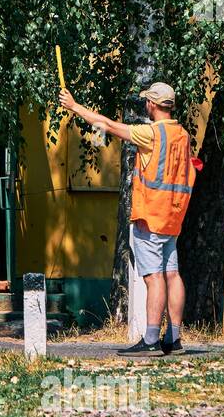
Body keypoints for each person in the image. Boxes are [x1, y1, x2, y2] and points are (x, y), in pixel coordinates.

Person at [59, 81, 197, 355]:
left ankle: (150, 340)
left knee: (153, 277)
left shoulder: (151, 133)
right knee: (172, 274)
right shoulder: (182, 135)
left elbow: (107, 125)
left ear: (153, 105)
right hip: (173, 216)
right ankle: (174, 338)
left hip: (151, 215)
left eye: (147, 101)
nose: (145, 105)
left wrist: (74, 107)